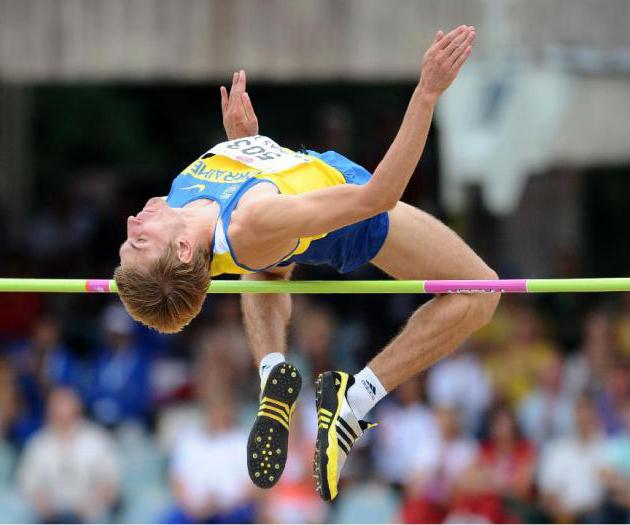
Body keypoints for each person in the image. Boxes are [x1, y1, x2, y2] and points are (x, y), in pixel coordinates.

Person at [115, 25, 500, 501]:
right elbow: (379, 197)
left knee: (261, 260)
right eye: (139, 241)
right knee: (482, 291)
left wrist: (244, 143)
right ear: (181, 250)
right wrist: (426, 92)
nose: (132, 222)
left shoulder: (183, 205)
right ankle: (355, 402)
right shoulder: (251, 220)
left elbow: (252, 196)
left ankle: (274, 370)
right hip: (348, 214)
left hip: (273, 223)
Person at [18, 388, 120, 523]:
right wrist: (44, 507)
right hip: (49, 512)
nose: (62, 412)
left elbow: (111, 481)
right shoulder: (37, 443)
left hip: (90, 509)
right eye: (57, 407)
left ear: (78, 409)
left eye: (66, 405)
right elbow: (27, 484)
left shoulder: (97, 439)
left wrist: (91, 506)